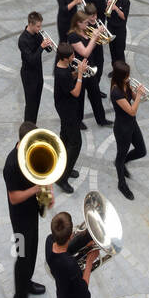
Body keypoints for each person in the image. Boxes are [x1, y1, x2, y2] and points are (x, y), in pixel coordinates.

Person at [4, 120, 49, 298]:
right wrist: (36, 189)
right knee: (21, 257)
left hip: (32, 214)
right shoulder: (12, 164)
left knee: (32, 252)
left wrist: (47, 190)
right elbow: (14, 198)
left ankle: (27, 282)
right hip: (19, 220)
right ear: (22, 141)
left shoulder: (31, 153)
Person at [110, 59, 148, 199]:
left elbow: (132, 97)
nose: (129, 77)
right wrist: (138, 96)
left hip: (131, 124)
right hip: (122, 129)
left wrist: (138, 92)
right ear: (120, 76)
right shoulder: (116, 92)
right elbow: (132, 110)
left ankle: (121, 162)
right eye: (127, 75)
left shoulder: (125, 83)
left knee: (141, 151)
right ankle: (122, 184)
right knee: (120, 156)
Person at [53, 43, 87, 194]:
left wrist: (76, 73)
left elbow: (68, 79)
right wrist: (80, 75)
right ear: (65, 58)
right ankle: (62, 179)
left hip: (65, 107)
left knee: (65, 139)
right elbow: (75, 93)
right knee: (76, 143)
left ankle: (64, 168)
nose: (74, 57)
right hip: (67, 110)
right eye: (72, 56)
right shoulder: (61, 73)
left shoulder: (63, 66)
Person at [67, 9, 107, 127]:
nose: (88, 24)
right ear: (78, 23)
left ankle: (101, 119)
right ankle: (78, 121)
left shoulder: (86, 31)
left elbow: (94, 45)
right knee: (79, 98)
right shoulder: (73, 36)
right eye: (85, 22)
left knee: (95, 94)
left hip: (90, 68)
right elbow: (85, 52)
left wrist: (99, 36)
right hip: (80, 70)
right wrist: (94, 37)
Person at [18, 11, 50, 124]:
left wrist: (47, 44)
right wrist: (41, 47)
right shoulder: (22, 40)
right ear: (30, 24)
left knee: (36, 103)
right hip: (28, 76)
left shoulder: (37, 34)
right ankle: (27, 128)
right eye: (38, 26)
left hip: (38, 73)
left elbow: (49, 50)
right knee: (30, 104)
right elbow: (31, 60)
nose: (40, 28)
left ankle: (33, 124)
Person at [105, 0, 130, 65]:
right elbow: (106, 12)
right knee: (112, 50)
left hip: (120, 30)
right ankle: (115, 69)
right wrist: (108, 6)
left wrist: (116, 8)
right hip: (111, 27)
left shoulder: (125, 1)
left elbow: (124, 17)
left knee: (119, 52)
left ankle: (122, 72)